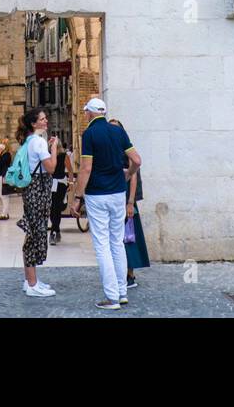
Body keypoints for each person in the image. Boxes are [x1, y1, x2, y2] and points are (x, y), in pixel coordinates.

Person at [73, 97, 140, 309]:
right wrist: (128, 174)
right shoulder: (118, 131)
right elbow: (136, 160)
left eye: (86, 112)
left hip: (97, 194)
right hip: (118, 193)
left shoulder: (90, 134)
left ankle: (111, 298)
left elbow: (86, 168)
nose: (85, 115)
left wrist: (77, 197)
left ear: (90, 113)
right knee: (117, 242)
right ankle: (121, 292)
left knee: (102, 245)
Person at [16, 108, 58, 298]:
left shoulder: (29, 141)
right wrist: (54, 148)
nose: (46, 120)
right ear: (34, 124)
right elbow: (51, 167)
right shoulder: (39, 141)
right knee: (35, 233)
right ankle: (32, 284)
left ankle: (30, 279)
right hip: (38, 191)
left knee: (31, 232)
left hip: (30, 189)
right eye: (42, 119)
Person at [109, 118, 149, 286]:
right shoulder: (109, 148)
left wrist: (130, 202)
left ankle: (129, 275)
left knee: (129, 237)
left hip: (126, 198)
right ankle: (118, 273)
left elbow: (133, 176)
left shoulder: (127, 149)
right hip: (113, 196)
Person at [49, 137, 70, 244]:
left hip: (61, 183)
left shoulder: (63, 155)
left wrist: (70, 183)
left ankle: (53, 232)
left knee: (57, 207)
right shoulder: (48, 155)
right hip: (51, 184)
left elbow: (70, 170)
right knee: (52, 209)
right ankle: (56, 230)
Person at [0, 139, 13, 220]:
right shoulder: (2, 154)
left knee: (4, 195)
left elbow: (3, 163)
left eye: (4, 143)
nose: (2, 144)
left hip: (4, 176)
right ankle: (6, 212)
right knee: (3, 195)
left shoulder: (7, 154)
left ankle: (4, 214)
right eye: (2, 142)